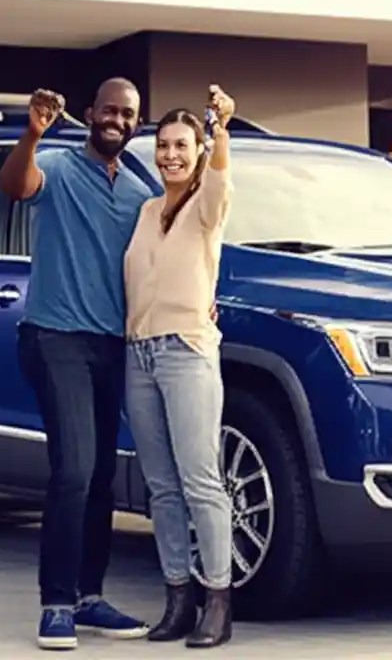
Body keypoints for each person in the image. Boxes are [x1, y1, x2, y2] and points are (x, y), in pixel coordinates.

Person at [0, 78, 154, 651]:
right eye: (109, 110)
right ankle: (56, 604)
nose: (118, 119)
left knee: (102, 477)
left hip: (110, 345)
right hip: (55, 337)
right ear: (91, 114)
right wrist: (32, 134)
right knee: (74, 470)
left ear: (138, 122)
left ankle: (90, 598)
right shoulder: (60, 167)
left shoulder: (141, 189)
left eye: (129, 113)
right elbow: (16, 186)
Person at [122, 86, 237, 648]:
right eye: (163, 145)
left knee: (201, 482)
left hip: (186, 353)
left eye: (182, 145)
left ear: (198, 149)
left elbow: (217, 178)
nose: (170, 154)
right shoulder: (146, 211)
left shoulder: (206, 207)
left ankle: (218, 599)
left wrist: (221, 132)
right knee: (161, 487)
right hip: (138, 354)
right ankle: (178, 599)